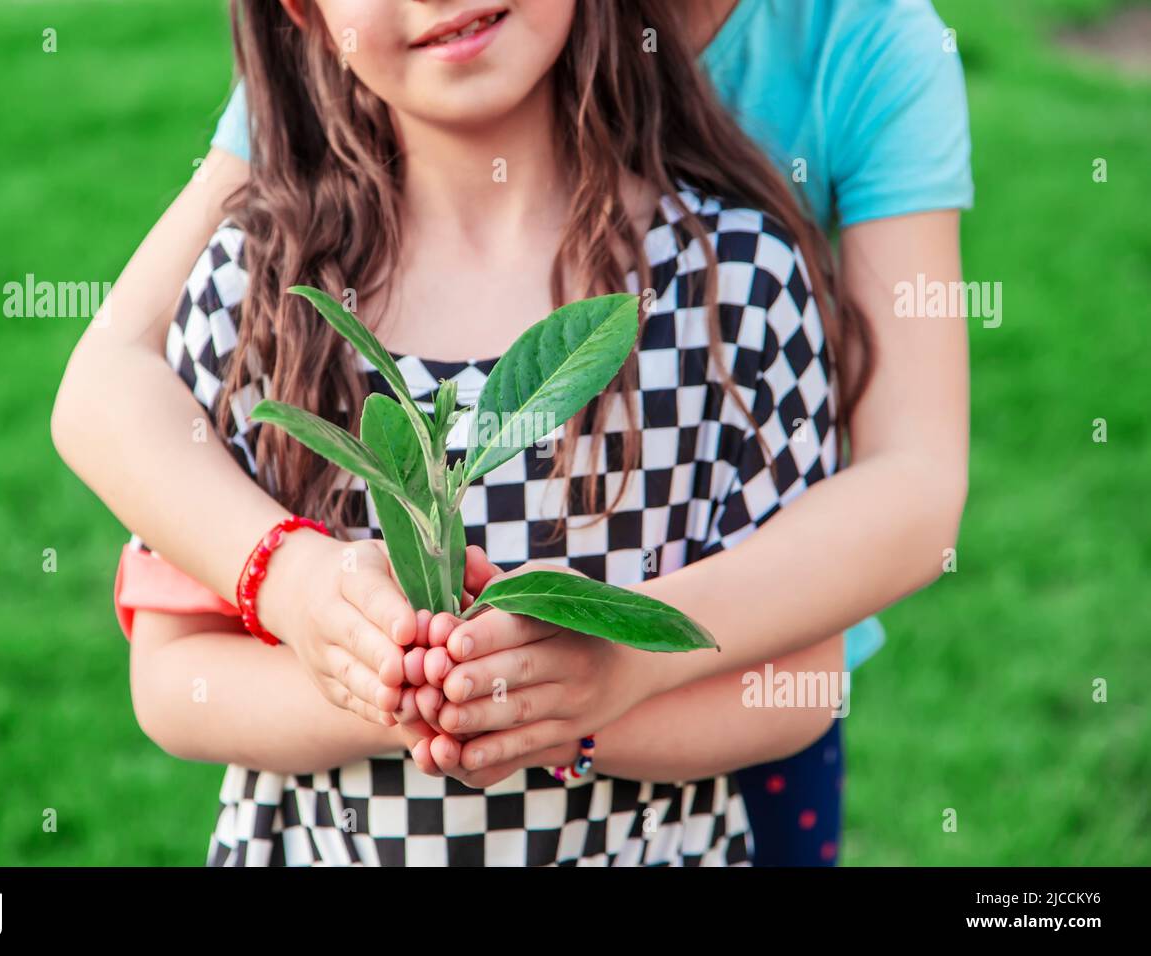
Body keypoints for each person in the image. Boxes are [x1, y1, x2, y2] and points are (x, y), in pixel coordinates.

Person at [53, 0, 969, 866]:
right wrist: (325, 621)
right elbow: (172, 652)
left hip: (723, 723)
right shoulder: (262, 282)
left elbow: (898, 516)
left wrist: (608, 671)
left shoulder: (746, 276)